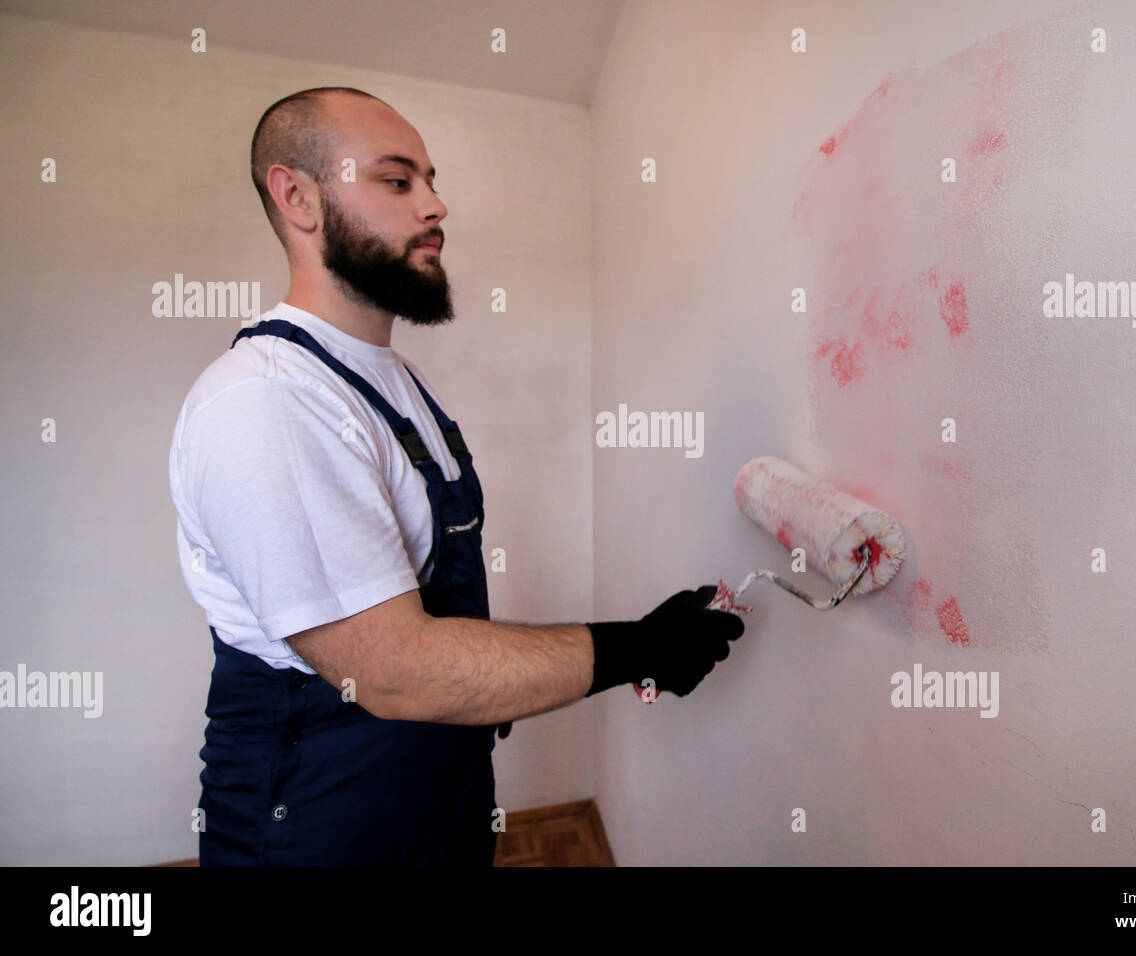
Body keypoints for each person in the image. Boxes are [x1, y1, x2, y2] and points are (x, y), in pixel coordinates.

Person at [167, 86, 743, 867]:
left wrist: (637, 647)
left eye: (431, 181)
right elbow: (391, 670)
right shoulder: (270, 400)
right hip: (316, 824)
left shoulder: (396, 382)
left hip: (436, 792)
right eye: (398, 181)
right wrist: (635, 648)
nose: (436, 206)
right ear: (297, 196)